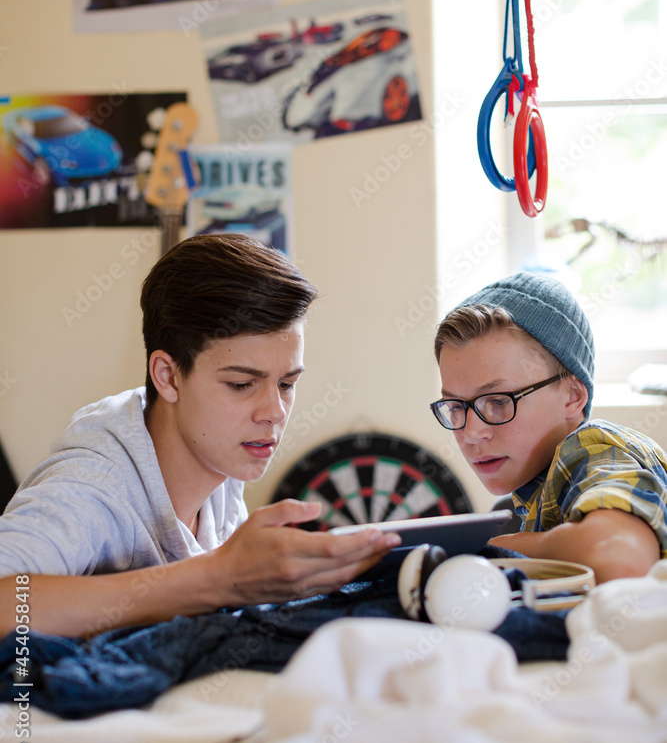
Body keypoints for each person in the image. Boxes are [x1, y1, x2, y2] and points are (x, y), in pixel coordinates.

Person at [0, 234, 399, 638]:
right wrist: (217, 577)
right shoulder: (94, 485)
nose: (274, 412)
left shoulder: (219, 457)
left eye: (286, 384)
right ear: (168, 377)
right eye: (242, 384)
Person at [431, 271, 667, 584]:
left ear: (572, 396)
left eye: (498, 401)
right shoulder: (525, 499)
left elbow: (621, 559)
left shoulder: (593, 451)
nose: (472, 433)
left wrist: (478, 551)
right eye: (457, 407)